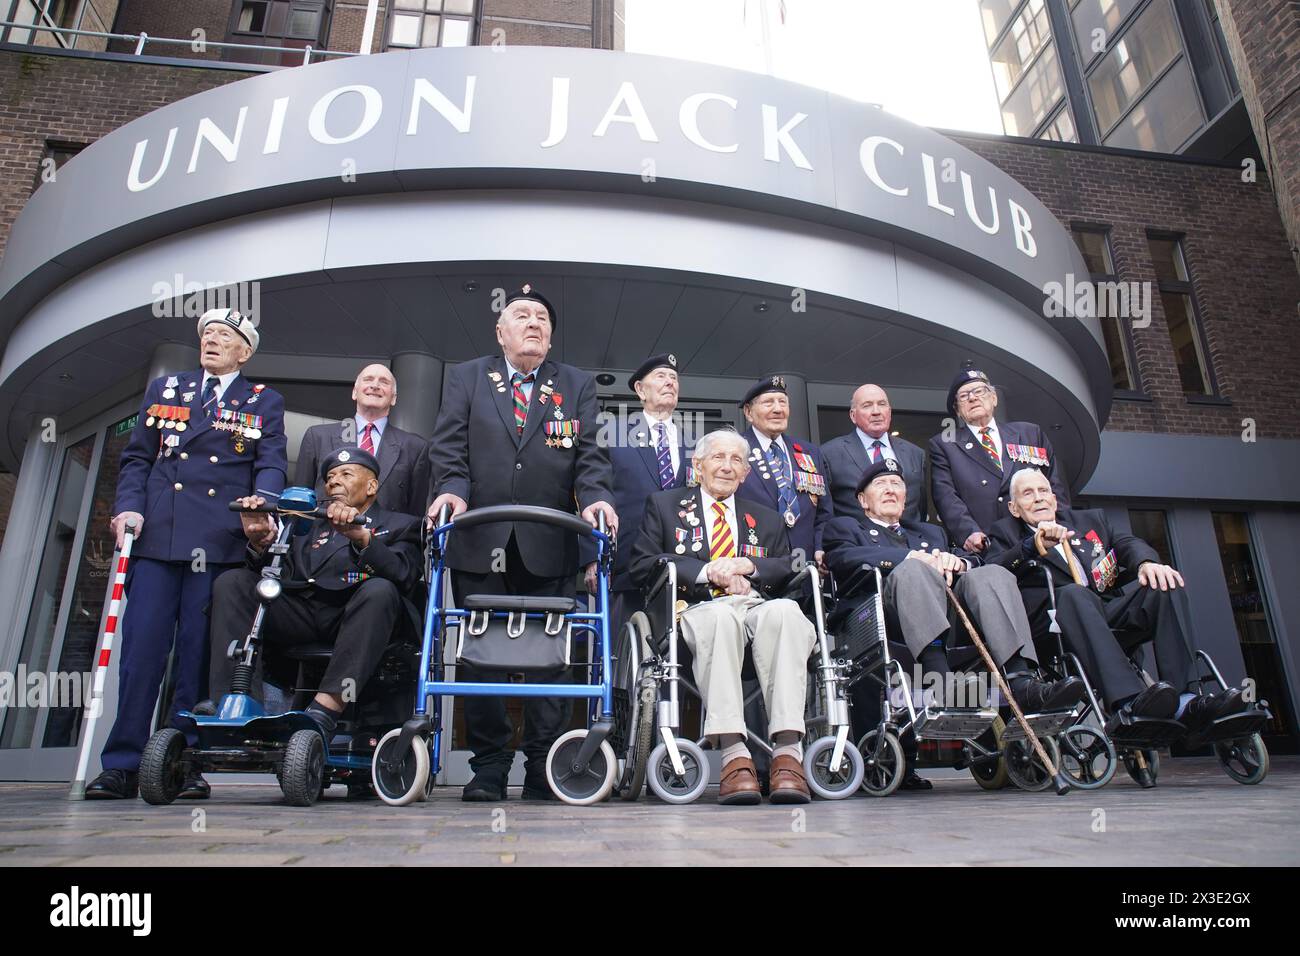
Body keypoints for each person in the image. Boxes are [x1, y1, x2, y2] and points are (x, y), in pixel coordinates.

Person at [86, 308, 287, 799]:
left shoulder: (264, 401)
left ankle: (182, 761)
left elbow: (271, 465)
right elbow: (137, 457)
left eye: (225, 335)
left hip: (216, 543)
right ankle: (123, 763)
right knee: (142, 655)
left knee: (197, 658)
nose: (212, 341)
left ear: (246, 351)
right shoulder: (167, 390)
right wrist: (127, 510)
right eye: (207, 334)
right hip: (158, 539)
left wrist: (265, 505)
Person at [426, 284, 616, 802]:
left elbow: (590, 457)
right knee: (480, 654)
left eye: (542, 319)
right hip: (479, 534)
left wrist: (596, 499)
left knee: (549, 656)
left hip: (549, 539)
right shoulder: (467, 377)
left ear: (550, 338)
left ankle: (541, 764)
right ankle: (488, 767)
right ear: (500, 331)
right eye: (522, 315)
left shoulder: (574, 385)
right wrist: (450, 492)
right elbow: (449, 447)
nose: (533, 323)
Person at [629, 429, 817, 805]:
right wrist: (707, 571)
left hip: (756, 610)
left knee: (787, 612)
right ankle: (734, 757)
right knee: (720, 619)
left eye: (736, 461)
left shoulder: (765, 517)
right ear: (697, 465)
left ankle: (787, 754)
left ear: (746, 473)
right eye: (718, 458)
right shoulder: (665, 506)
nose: (727, 467)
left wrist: (751, 566)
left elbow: (787, 565)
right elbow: (643, 564)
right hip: (694, 611)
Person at [822, 458, 1085, 722]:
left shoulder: (931, 533)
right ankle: (940, 680)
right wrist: (912, 557)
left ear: (905, 498)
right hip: (887, 621)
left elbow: (974, 559)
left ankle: (1022, 682)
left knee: (992, 573)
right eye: (881, 484)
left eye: (896, 484)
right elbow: (842, 558)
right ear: (863, 501)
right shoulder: (846, 527)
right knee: (913, 569)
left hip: (949, 620)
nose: (890, 489)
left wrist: (959, 562)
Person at [986, 468, 1250, 731]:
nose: (1038, 498)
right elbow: (993, 570)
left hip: (1106, 611)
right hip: (1056, 627)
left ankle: (1186, 699)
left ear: (1054, 499)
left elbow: (1127, 543)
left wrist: (1146, 563)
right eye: (1028, 494)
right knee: (1073, 594)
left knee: (1165, 584)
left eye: (1043, 491)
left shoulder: (1090, 520)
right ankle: (1129, 699)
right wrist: (1033, 544)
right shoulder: (1003, 534)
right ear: (1014, 508)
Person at [200, 448, 422, 739]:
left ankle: (323, 710)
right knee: (233, 582)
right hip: (302, 614)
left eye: (345, 474)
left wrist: (362, 539)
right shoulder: (308, 522)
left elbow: (404, 576)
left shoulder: (400, 524)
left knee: (380, 590)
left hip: (356, 618)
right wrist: (260, 544)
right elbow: (280, 576)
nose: (333, 483)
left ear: (371, 486)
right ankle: (235, 701)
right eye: (329, 477)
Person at [580, 353, 690, 627]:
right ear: (640, 390)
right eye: (661, 376)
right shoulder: (612, 432)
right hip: (626, 565)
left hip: (683, 569)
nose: (669, 383)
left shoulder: (696, 443)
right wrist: (592, 556)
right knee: (623, 653)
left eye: (674, 378)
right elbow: (590, 488)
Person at [929, 365, 1070, 554]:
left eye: (979, 391)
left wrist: (1061, 523)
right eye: (964, 396)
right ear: (957, 409)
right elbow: (946, 497)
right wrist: (970, 533)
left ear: (994, 398)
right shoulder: (945, 444)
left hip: (1043, 537)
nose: (972, 398)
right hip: (991, 544)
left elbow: (1054, 484)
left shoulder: (1030, 433)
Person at [295, 363, 430, 517]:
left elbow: (414, 516)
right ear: (354, 392)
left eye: (384, 382)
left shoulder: (415, 447)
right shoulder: (318, 437)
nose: (375, 385)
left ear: (393, 398)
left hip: (384, 539)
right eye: (368, 379)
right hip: (324, 536)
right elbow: (299, 502)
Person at [735, 375, 833, 568]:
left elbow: (824, 513)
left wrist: (822, 546)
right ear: (748, 412)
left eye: (783, 402)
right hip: (753, 565)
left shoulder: (809, 452)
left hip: (805, 563)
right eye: (768, 402)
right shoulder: (735, 450)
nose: (778, 409)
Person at [822, 383, 927, 525]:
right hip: (858, 544)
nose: (876, 411)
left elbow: (921, 508)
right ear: (853, 416)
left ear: (889, 412)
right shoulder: (830, 454)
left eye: (882, 404)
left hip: (908, 543)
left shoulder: (915, 454)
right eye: (867, 405)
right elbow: (825, 513)